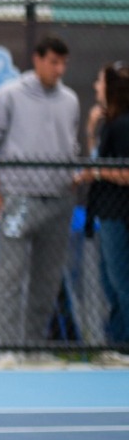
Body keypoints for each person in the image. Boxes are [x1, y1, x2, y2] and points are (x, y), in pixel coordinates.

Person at [0, 37, 83, 348]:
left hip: (60, 200)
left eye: (63, 63)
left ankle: (33, 346)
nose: (59, 69)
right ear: (37, 60)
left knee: (47, 280)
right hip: (18, 198)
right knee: (9, 275)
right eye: (53, 62)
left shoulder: (70, 100)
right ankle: (7, 348)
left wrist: (71, 177)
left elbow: (71, 144)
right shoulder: (9, 95)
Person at [79, 61, 129, 345]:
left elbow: (122, 173)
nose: (96, 87)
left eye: (100, 82)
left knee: (121, 281)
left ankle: (123, 342)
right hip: (107, 212)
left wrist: (96, 173)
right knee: (110, 281)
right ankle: (118, 341)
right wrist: (90, 128)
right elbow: (98, 160)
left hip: (119, 213)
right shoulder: (111, 123)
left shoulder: (123, 125)